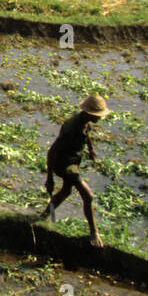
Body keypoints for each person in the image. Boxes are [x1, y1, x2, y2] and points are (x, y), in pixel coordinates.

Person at [42, 94, 110, 247]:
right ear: (88, 113)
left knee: (66, 191)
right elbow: (51, 152)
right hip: (64, 164)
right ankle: (94, 233)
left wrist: (91, 150)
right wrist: (50, 179)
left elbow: (87, 135)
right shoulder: (71, 128)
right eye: (97, 115)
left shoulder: (86, 122)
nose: (99, 118)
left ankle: (44, 216)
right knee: (88, 196)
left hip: (73, 161)